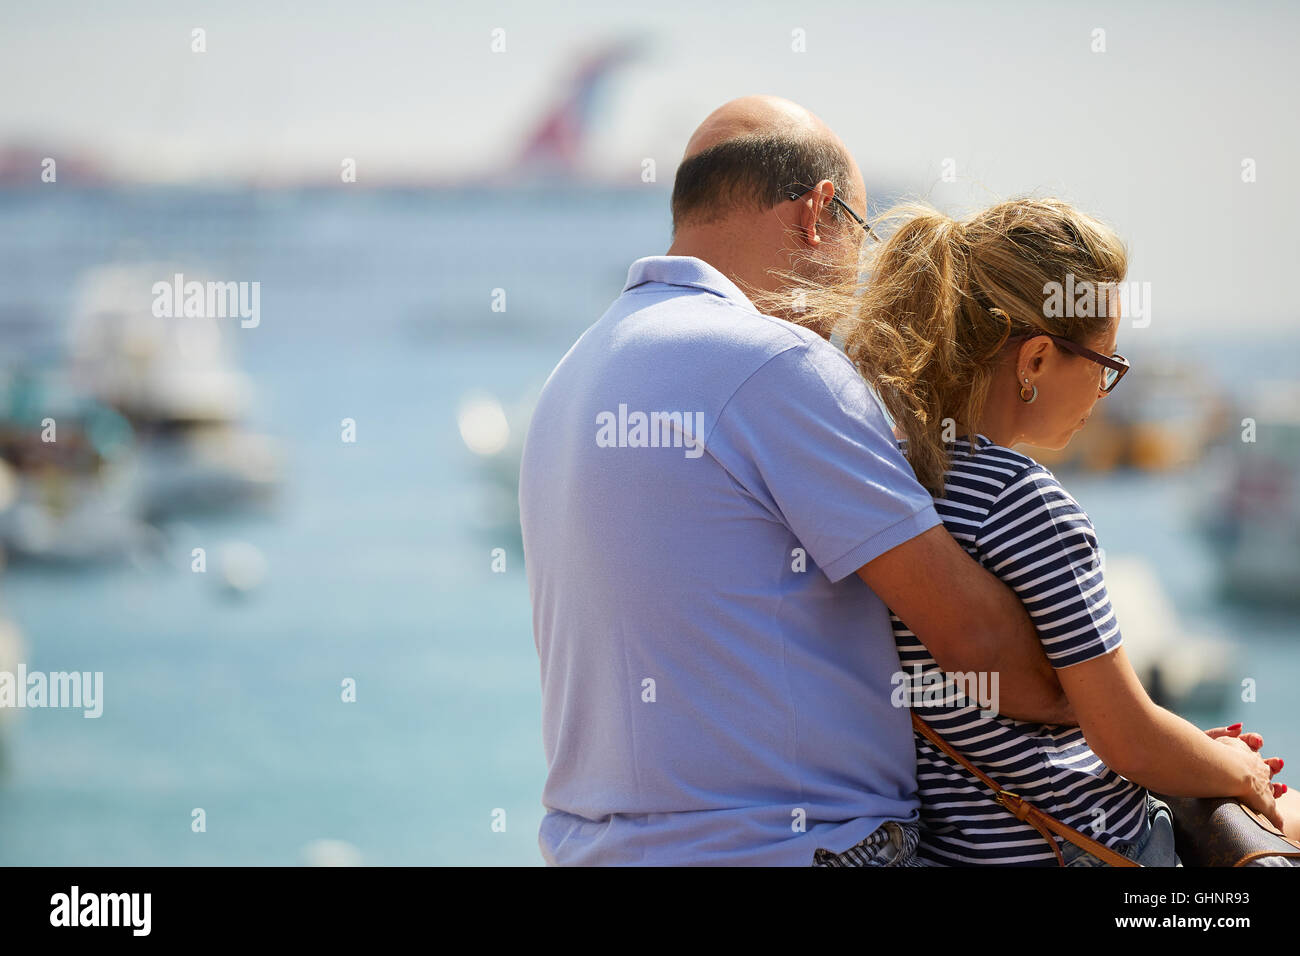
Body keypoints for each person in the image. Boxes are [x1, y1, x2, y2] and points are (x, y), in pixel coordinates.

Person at [518, 96, 1074, 866]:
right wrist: (1125, 728)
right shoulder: (778, 363)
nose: (855, 283)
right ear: (819, 212)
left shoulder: (573, 374)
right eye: (861, 232)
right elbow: (980, 648)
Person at [804, 197, 1294, 865]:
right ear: (1034, 361)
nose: (1104, 392)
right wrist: (1240, 770)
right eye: (1105, 365)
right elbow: (1127, 738)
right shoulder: (1027, 503)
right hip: (1080, 847)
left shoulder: (891, 486)